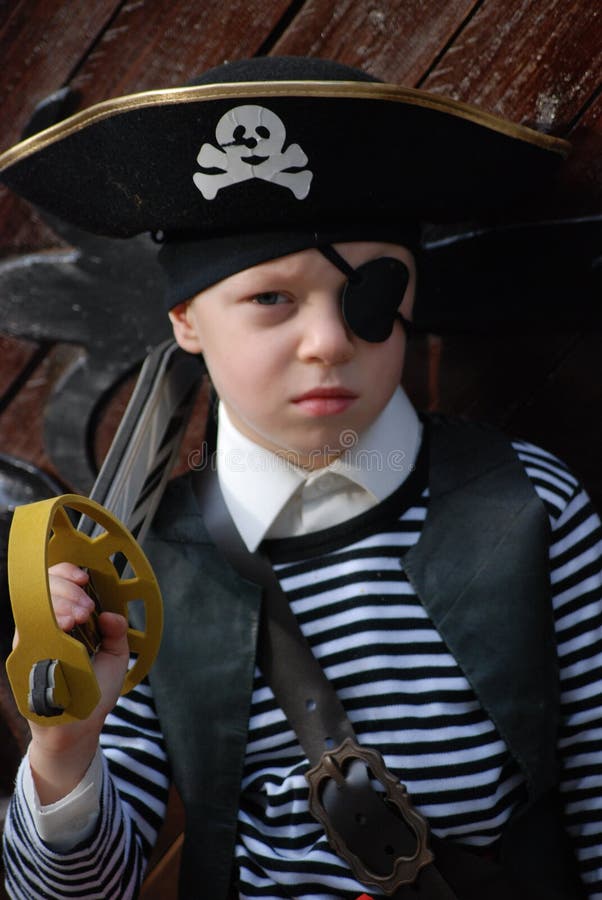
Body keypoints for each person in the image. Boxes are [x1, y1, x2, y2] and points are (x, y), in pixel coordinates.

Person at [1, 56, 601, 900]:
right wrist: (67, 745)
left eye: (363, 293)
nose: (326, 341)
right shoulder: (136, 573)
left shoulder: (531, 505)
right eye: (271, 299)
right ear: (186, 319)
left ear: (409, 294)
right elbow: (72, 892)